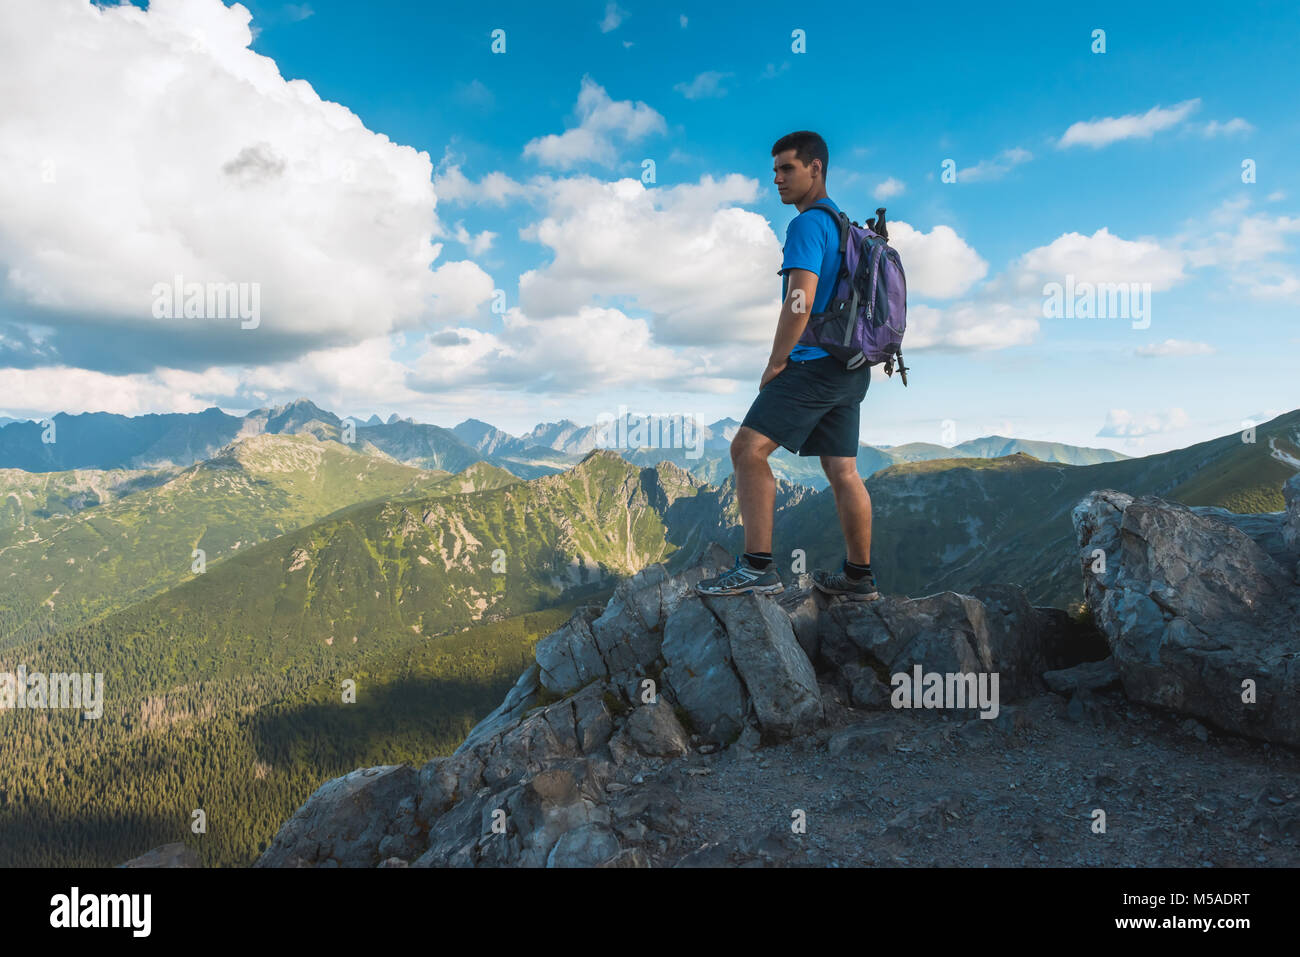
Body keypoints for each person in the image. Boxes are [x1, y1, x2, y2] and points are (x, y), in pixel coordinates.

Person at [696, 130, 879, 601]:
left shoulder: (806, 226)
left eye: (787, 169)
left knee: (746, 451)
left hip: (814, 364)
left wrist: (776, 362)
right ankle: (860, 578)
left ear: (815, 168)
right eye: (774, 170)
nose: (776, 179)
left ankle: (758, 567)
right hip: (852, 367)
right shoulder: (845, 225)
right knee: (843, 470)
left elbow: (800, 299)